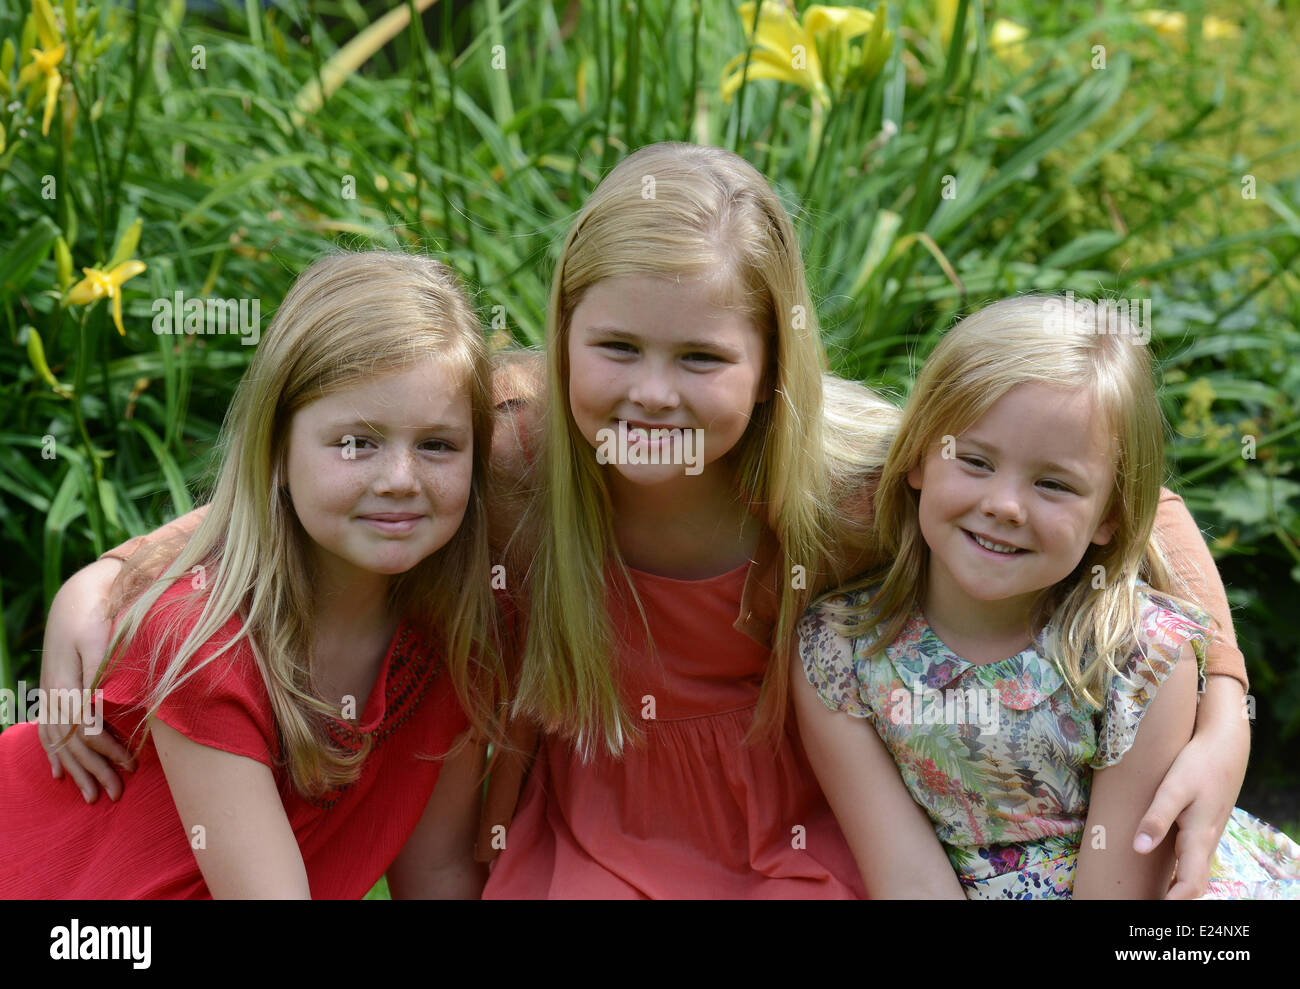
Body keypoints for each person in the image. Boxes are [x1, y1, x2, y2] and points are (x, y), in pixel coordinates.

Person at [38, 144, 1254, 899]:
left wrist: (1227, 706)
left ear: (773, 361)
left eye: (701, 357)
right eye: (614, 344)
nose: (651, 392)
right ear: (561, 333)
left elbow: (1151, 513)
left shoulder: (852, 483)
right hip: (600, 830)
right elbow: (246, 506)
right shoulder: (506, 450)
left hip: (813, 825)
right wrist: (87, 588)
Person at [0, 251, 505, 899]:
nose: (401, 479)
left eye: (438, 444)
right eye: (357, 442)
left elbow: (438, 875)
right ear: (275, 454)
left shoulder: (457, 639)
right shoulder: (205, 641)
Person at [794, 295, 1299, 898]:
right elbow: (904, 874)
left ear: (1109, 515)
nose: (1005, 505)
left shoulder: (1137, 658)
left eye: (1053, 483)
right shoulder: (840, 651)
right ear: (919, 459)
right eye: (975, 461)